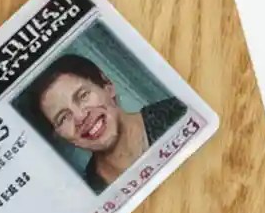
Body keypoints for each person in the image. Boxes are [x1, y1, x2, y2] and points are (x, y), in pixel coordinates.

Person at [28, 54, 185, 193]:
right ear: (59, 135)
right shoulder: (89, 195)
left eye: (83, 96)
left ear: (107, 86)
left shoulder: (180, 112)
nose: (80, 116)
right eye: (63, 118)